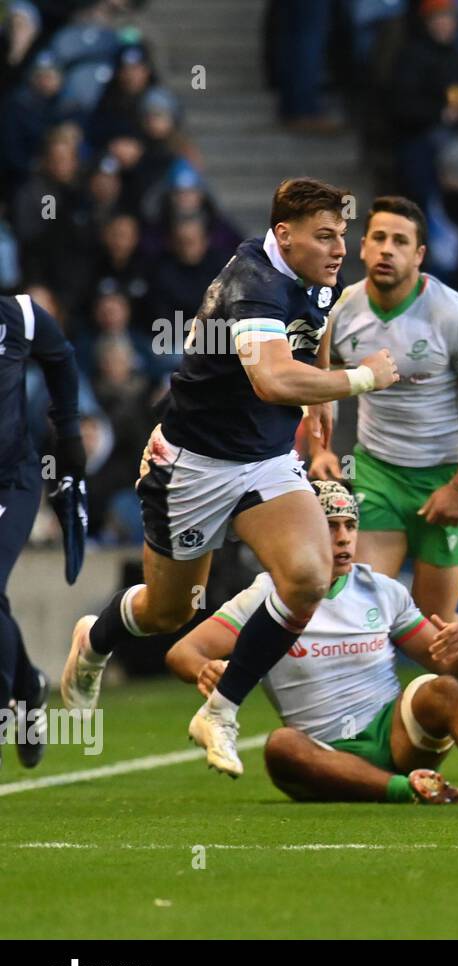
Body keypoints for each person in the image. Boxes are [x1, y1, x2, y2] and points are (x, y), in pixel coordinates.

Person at [59, 177, 400, 779]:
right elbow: (272, 379)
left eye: (341, 235)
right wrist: (361, 378)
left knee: (306, 578)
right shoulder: (252, 286)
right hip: (191, 466)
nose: (339, 249)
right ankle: (95, 639)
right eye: (325, 236)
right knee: (168, 612)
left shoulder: (315, 277)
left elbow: (309, 343)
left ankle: (220, 709)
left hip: (264, 461)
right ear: (284, 236)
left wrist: (320, 408)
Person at [167, 482, 458, 805]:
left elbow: (444, 663)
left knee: (443, 690)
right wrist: (204, 668)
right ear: (304, 532)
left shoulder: (381, 590)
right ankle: (411, 790)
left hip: (397, 738)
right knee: (281, 747)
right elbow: (182, 652)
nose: (343, 538)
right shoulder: (266, 593)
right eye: (330, 525)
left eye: (350, 525)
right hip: (325, 757)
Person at [307, 196, 458, 716]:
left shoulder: (451, 315)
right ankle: (365, 726)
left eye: (400, 242)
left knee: (431, 637)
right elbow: (314, 383)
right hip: (377, 472)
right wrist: (320, 449)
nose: (387, 250)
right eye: (378, 238)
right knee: (363, 607)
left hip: (447, 478)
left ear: (420, 254)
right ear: (362, 247)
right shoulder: (340, 308)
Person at [0, 292, 85, 770]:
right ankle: (27, 685)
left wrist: (68, 432)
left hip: (10, 481)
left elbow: (61, 355)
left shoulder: (20, 315)